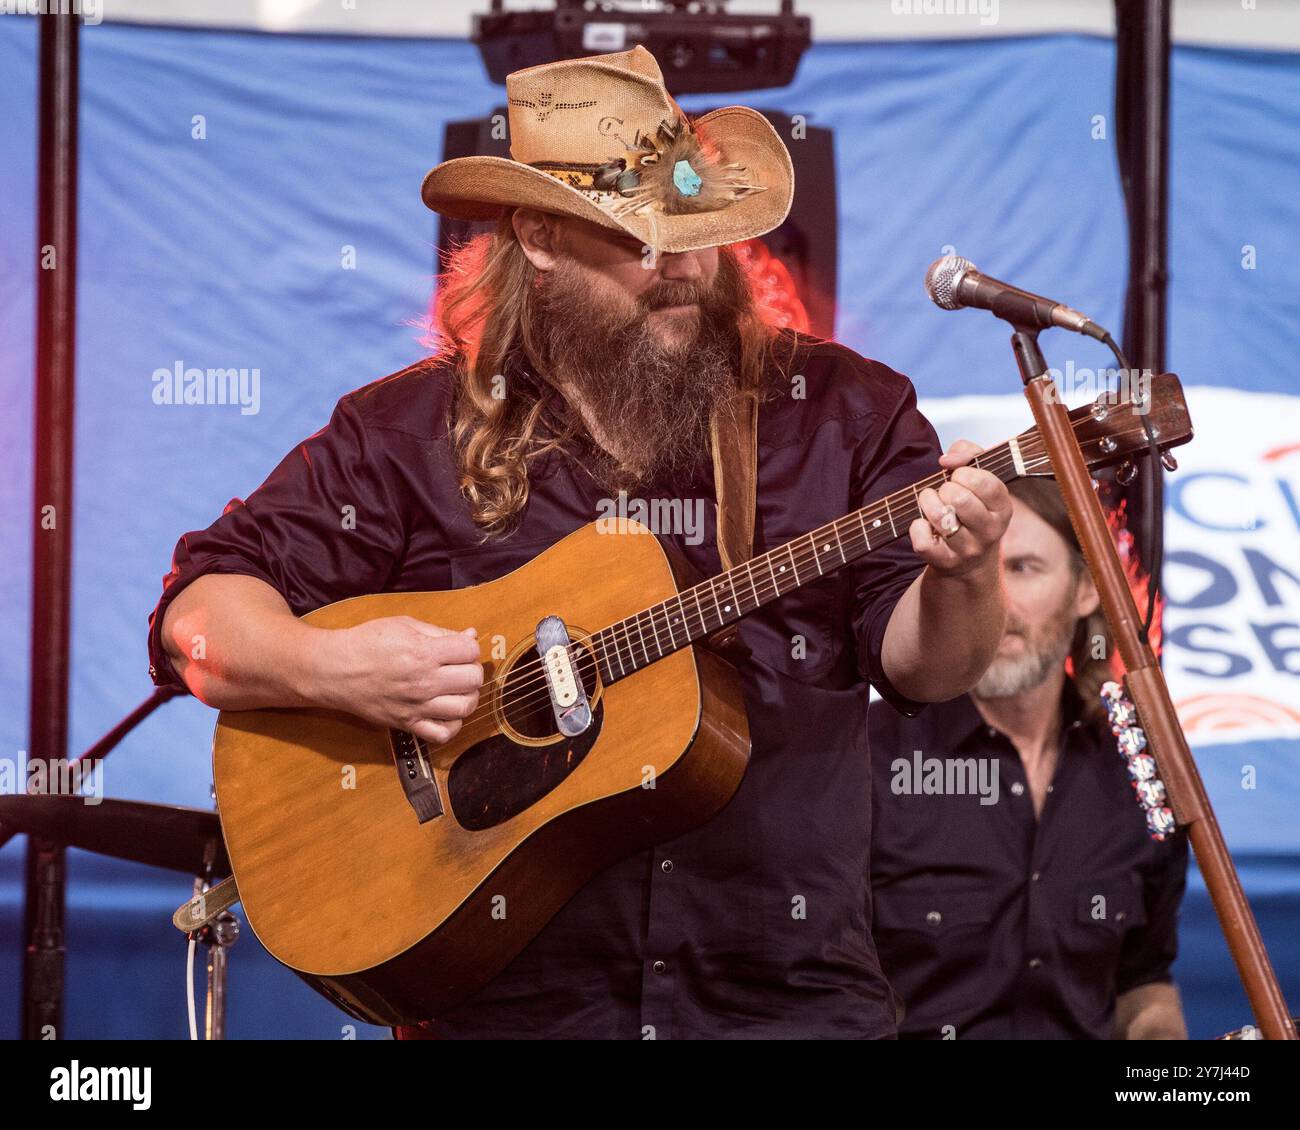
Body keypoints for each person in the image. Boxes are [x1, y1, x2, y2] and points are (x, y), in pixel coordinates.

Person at [147, 44, 1013, 1039]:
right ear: (541, 237)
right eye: (640, 240)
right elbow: (198, 621)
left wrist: (966, 571)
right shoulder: (400, 436)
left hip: (781, 998)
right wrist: (329, 664)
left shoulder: (847, 412)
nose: (683, 267)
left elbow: (929, 668)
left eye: (701, 233)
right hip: (509, 1006)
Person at [869, 476, 1190, 1039]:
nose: (994, 598)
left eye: (1021, 568)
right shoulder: (868, 759)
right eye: (977, 569)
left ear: (1088, 589)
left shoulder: (1140, 771)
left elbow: (1142, 979)